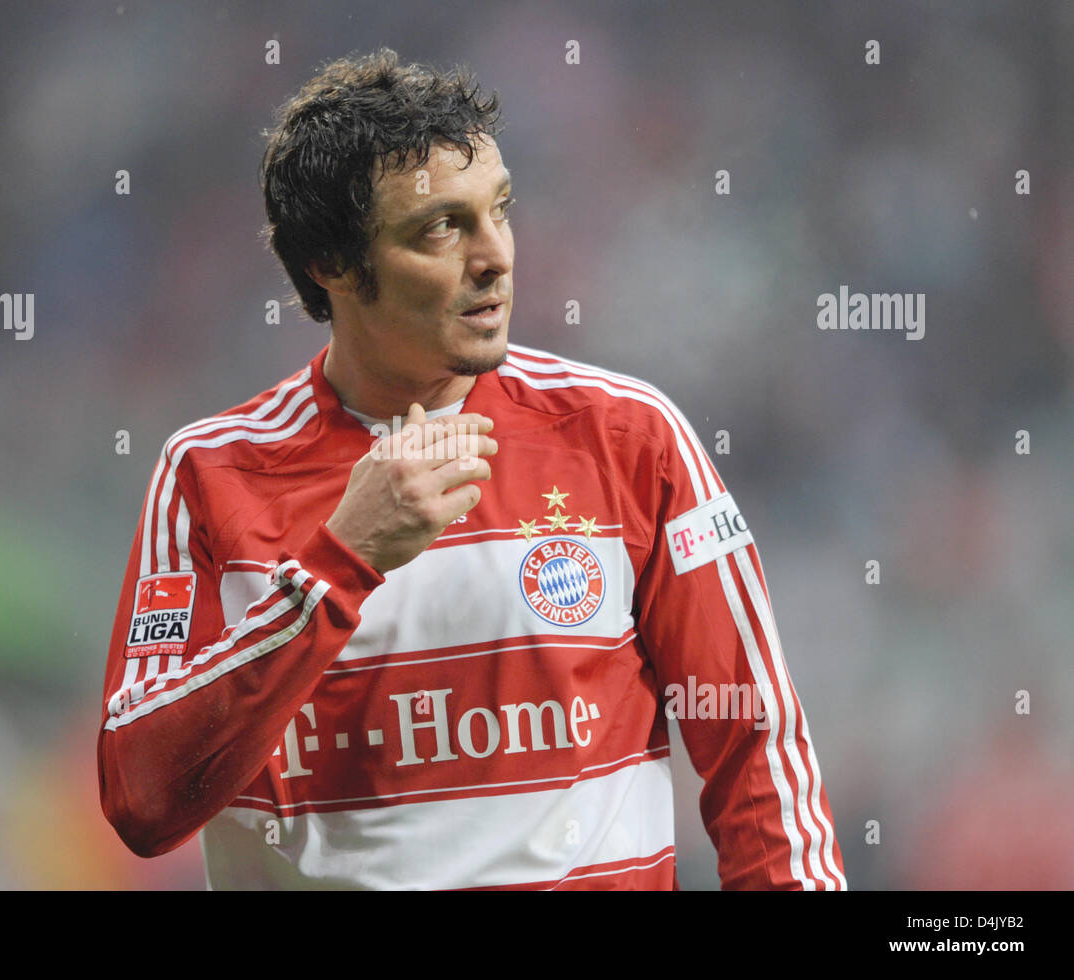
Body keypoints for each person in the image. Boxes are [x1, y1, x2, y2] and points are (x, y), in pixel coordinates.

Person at [97, 48, 846, 890]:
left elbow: (756, 750)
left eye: (500, 210)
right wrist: (342, 560)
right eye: (441, 228)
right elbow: (141, 800)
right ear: (332, 267)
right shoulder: (210, 476)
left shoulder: (631, 438)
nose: (496, 256)